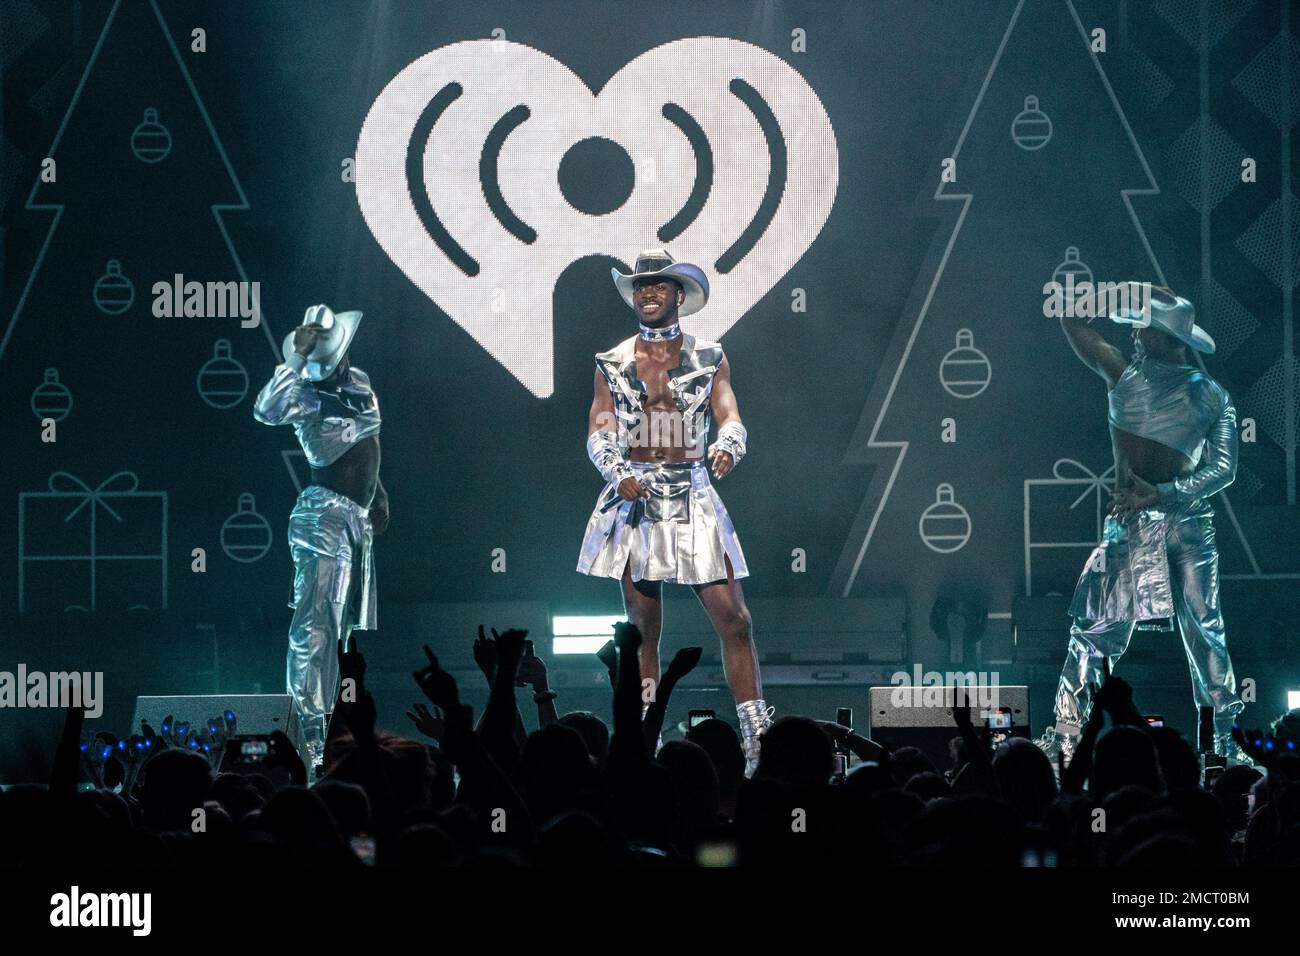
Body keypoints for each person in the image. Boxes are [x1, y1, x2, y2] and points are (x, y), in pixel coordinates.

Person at [577, 249, 770, 775]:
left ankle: (757, 740)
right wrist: (618, 473)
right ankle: (645, 737)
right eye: (640, 287)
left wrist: (730, 444)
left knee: (735, 620)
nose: (648, 293)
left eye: (658, 285)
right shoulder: (611, 360)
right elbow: (601, 426)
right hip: (637, 495)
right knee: (641, 629)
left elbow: (730, 414)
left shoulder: (710, 355)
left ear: (679, 294)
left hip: (693, 491)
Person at [1037, 285, 1245, 764]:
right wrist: (1169, 494)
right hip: (1186, 521)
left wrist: (1123, 291)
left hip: (1137, 521)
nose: (1132, 331)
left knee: (1094, 634)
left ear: (1159, 336)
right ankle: (1224, 749)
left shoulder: (1127, 374)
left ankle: (1067, 743)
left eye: (1141, 324)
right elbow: (1224, 470)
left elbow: (1070, 318)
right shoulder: (1212, 395)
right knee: (1204, 630)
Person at [254, 304, 389, 773]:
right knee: (316, 627)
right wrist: (295, 360)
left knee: (342, 631)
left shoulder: (360, 383)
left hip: (357, 519)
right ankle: (307, 741)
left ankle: (335, 731)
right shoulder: (303, 393)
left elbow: (366, 439)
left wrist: (379, 491)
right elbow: (264, 409)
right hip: (323, 516)